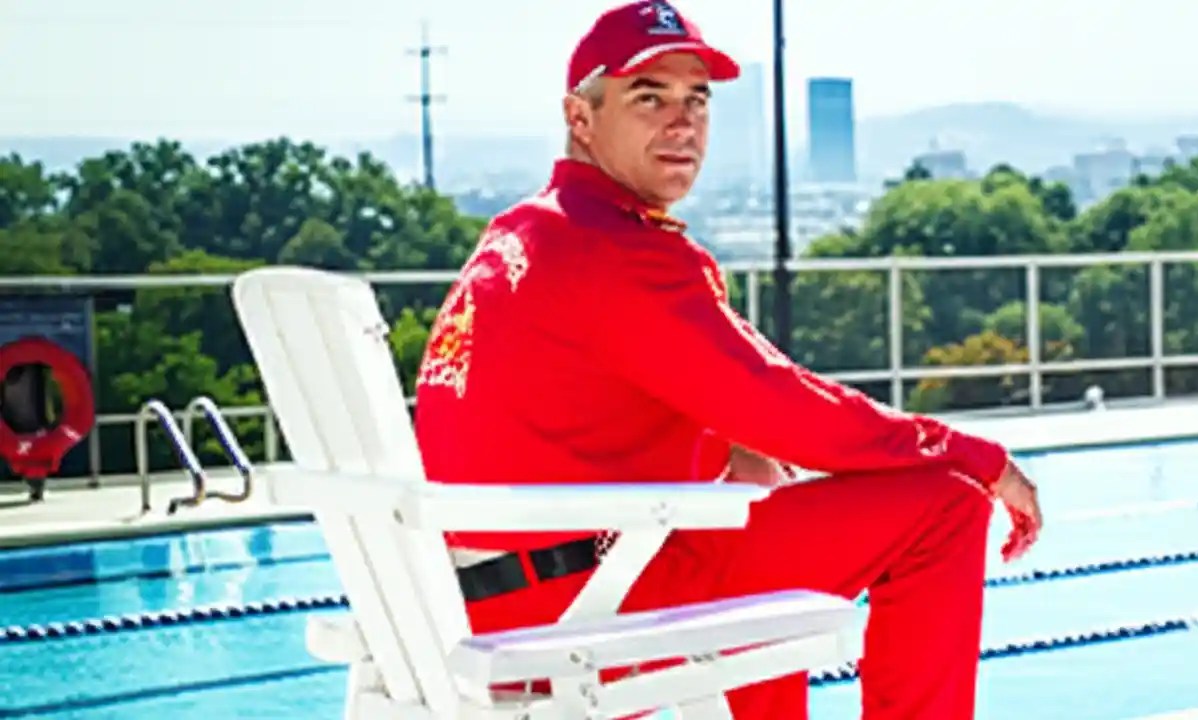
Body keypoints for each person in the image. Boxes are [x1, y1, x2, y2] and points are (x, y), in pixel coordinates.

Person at [413, 2, 1043, 718]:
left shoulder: (523, 233)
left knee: (752, 519)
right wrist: (978, 456)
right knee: (945, 505)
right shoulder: (616, 251)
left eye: (697, 100)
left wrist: (740, 438)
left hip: (490, 599)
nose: (681, 123)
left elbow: (655, 398)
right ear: (580, 118)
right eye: (648, 97)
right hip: (583, 603)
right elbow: (795, 413)